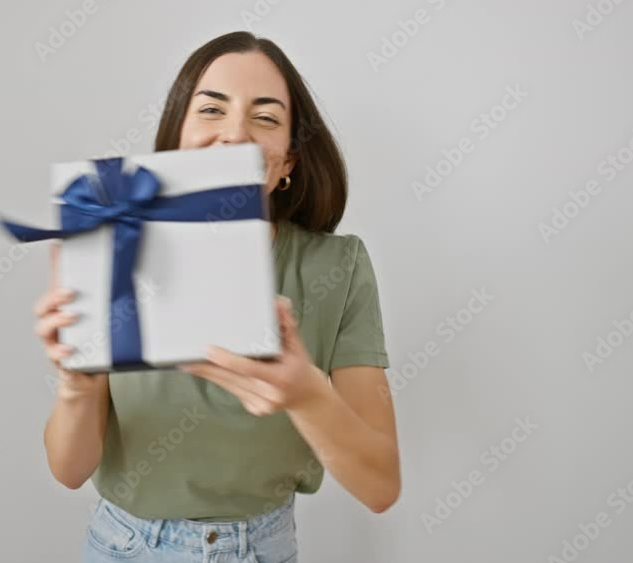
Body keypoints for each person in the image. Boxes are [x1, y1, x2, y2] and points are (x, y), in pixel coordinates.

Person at [35, 31, 400, 563]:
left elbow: (381, 485)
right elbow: (68, 471)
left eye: (266, 117)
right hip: (123, 547)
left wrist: (305, 395)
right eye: (211, 109)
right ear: (177, 139)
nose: (234, 134)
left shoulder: (337, 268)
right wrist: (76, 383)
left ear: (288, 163)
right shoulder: (114, 248)